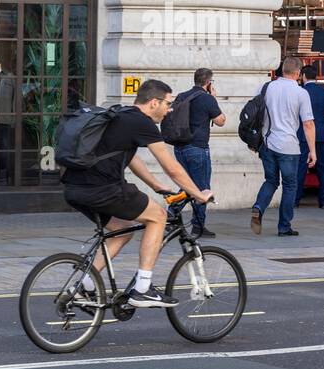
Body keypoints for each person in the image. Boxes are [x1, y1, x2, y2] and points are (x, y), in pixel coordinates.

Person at [62, 80, 213, 309]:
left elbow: (131, 158)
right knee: (159, 216)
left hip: (74, 188)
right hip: (104, 189)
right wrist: (198, 194)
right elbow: (172, 167)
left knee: (121, 231)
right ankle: (142, 289)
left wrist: (156, 186)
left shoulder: (121, 116)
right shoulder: (142, 123)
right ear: (154, 103)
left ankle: (84, 287)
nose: (170, 109)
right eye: (168, 103)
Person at [251, 56, 316, 237]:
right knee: (289, 185)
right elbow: (308, 124)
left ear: (282, 70)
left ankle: (258, 206)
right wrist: (313, 151)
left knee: (271, 181)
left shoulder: (265, 88)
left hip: (267, 144)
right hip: (289, 146)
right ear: (298, 73)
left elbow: (255, 113)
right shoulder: (301, 93)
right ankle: (284, 226)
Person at [171, 68, 226, 238]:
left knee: (186, 185)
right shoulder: (207, 99)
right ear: (208, 83)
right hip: (198, 148)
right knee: (202, 188)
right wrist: (214, 99)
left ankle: (170, 216)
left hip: (180, 147)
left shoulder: (182, 96)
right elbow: (221, 121)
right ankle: (198, 226)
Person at [298, 65, 324, 209]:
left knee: (300, 168)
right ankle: (323, 201)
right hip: (321, 135)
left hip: (304, 135)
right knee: (323, 168)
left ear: (304, 76)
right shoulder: (323, 92)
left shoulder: (301, 92)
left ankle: (295, 200)